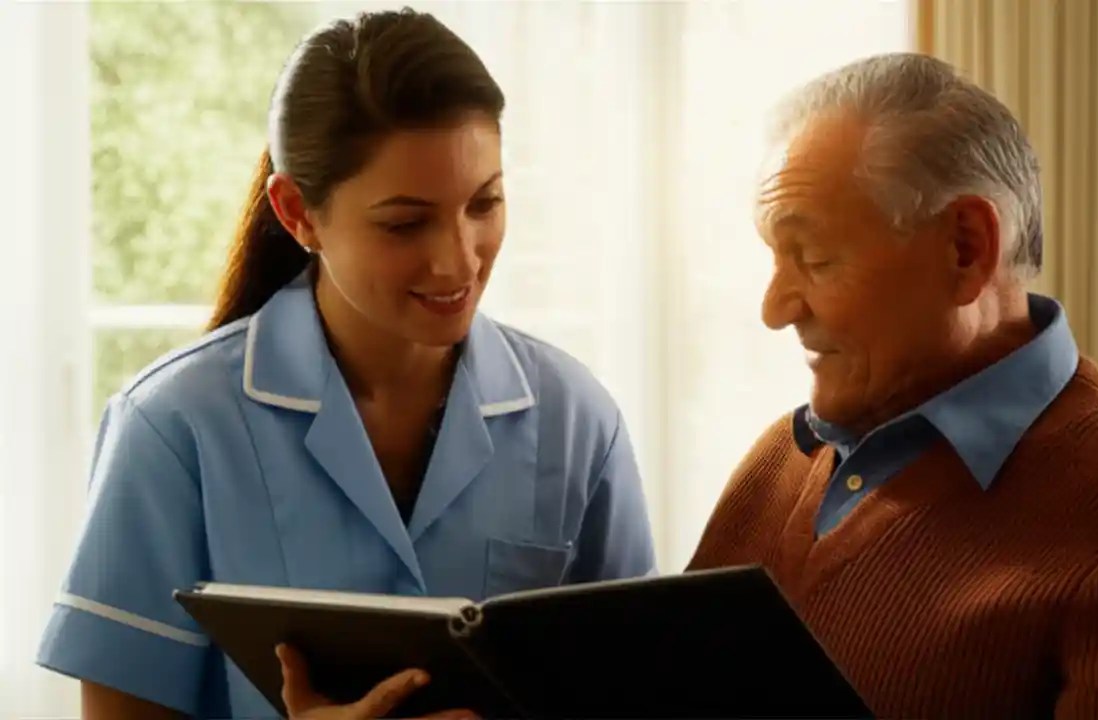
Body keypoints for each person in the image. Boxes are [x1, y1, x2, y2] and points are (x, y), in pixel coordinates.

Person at [35, 8, 655, 720]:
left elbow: (639, 694)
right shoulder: (173, 428)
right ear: (298, 212)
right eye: (405, 222)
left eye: (484, 203)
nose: (460, 258)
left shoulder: (579, 421)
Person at [687, 53, 1098, 718]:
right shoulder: (776, 467)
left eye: (816, 260)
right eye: (775, 261)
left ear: (965, 248)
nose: (775, 309)